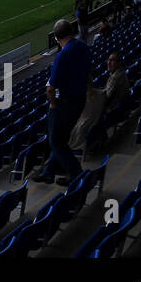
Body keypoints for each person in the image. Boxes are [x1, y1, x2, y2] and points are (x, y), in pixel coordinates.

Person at [31, 19, 91, 185]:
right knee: (60, 139)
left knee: (56, 141)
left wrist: (52, 103)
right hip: (80, 99)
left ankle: (75, 172)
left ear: (56, 37)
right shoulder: (82, 46)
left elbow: (51, 88)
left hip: (65, 103)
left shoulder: (63, 55)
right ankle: (49, 172)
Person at [69, 52, 130, 154]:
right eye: (108, 60)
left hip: (112, 111)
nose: (108, 63)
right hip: (115, 108)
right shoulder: (119, 73)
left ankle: (80, 143)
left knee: (84, 117)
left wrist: (92, 92)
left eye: (112, 60)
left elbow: (106, 97)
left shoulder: (116, 77)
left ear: (119, 63)